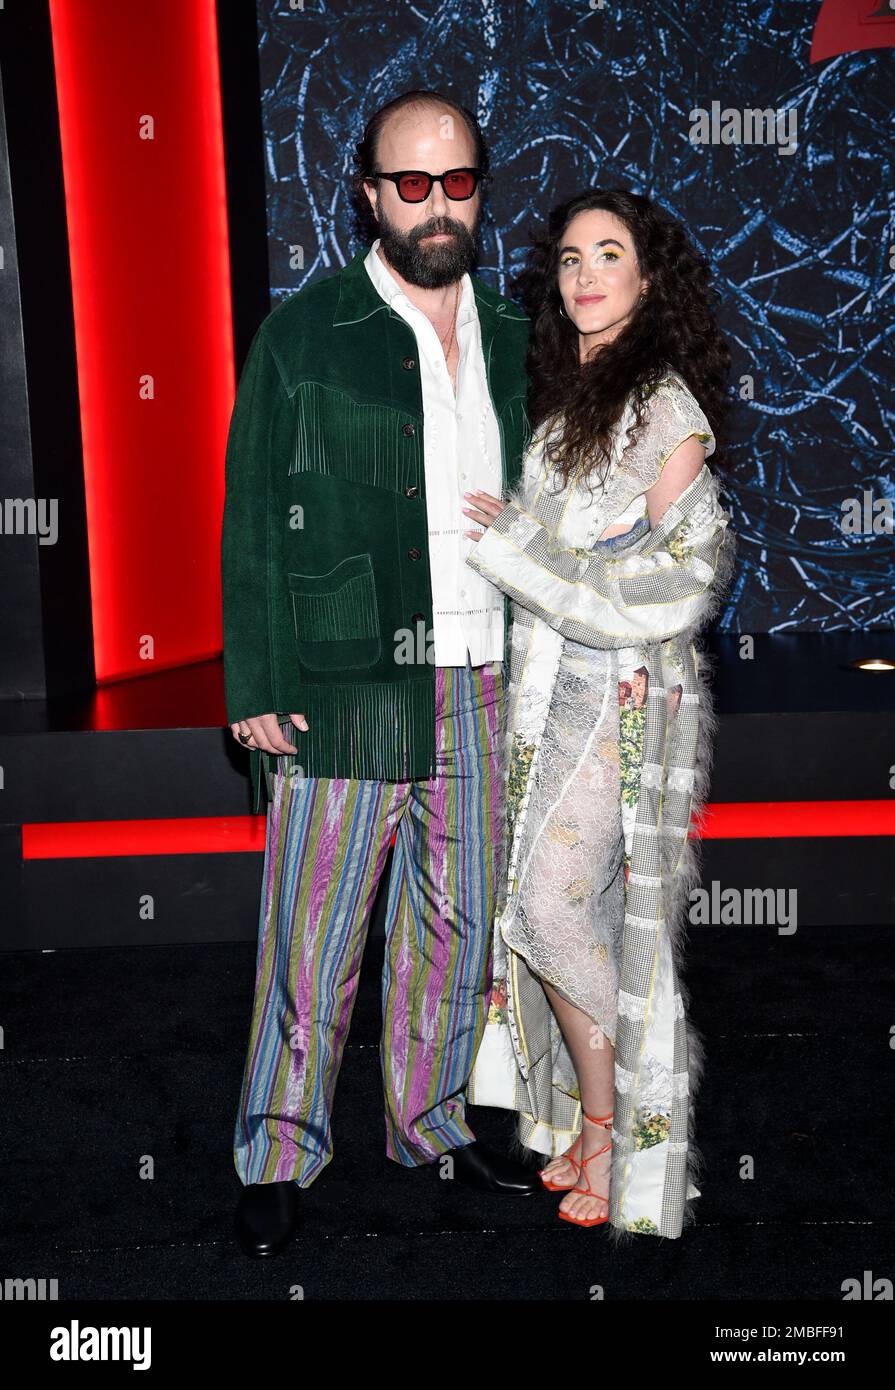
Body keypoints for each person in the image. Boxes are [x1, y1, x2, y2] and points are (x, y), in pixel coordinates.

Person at [220, 89, 537, 1259]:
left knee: (454, 928)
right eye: (412, 184)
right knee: (312, 931)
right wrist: (254, 675)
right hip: (345, 680)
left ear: (478, 188)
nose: (437, 205)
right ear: (369, 193)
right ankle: (278, 1149)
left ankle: (431, 1121)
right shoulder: (306, 333)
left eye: (457, 182)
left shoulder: (513, 331)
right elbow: (251, 508)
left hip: (487, 673)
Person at [461, 188, 737, 1240]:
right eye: (571, 257)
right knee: (542, 910)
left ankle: (623, 1125)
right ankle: (593, 1113)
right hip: (548, 694)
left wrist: (530, 549)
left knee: (546, 907)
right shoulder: (573, 391)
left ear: (646, 277)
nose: (584, 275)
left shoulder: (662, 404)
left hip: (619, 702)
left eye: (608, 254)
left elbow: (694, 569)